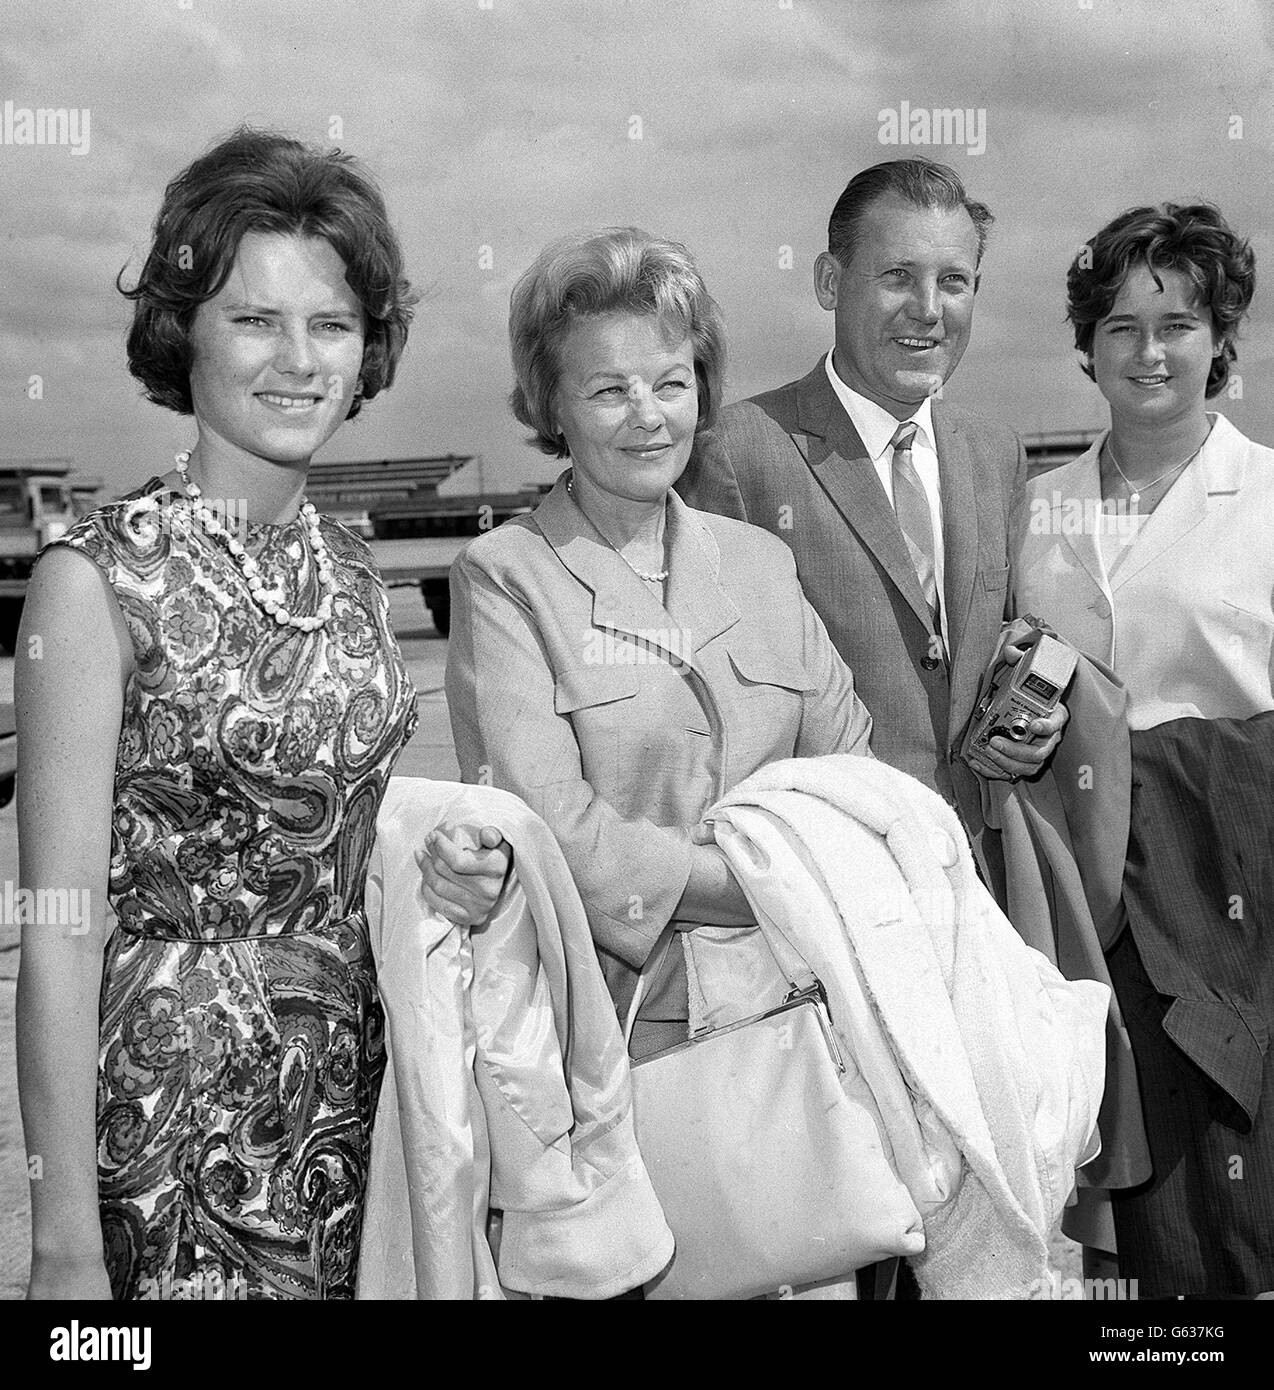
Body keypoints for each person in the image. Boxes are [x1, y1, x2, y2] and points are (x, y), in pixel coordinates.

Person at [15, 127, 507, 1301]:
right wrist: (62, 1242)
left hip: (363, 1100)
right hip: (170, 1129)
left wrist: (443, 865)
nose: (298, 359)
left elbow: (350, 832)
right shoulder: (95, 581)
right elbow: (59, 929)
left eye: (330, 324)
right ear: (183, 330)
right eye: (254, 319)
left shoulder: (349, 565)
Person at [445, 226, 873, 1065]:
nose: (648, 417)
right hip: (627, 1040)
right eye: (609, 391)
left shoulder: (761, 559)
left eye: (671, 384)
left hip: (814, 1019)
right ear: (551, 406)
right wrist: (771, 887)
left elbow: (853, 775)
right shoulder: (505, 576)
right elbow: (550, 825)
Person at [1013, 201, 1274, 1297]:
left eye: (1175, 322)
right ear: (1086, 347)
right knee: (1144, 1191)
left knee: (1250, 1180)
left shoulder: (1265, 497)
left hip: (1241, 882)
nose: (1148, 350)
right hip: (1089, 888)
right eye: (1119, 326)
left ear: (1220, 340)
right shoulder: (1033, 511)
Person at [677, 157, 1067, 879]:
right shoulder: (733, 451)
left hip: (986, 876)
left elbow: (1006, 639)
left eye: (954, 281)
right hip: (833, 884)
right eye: (897, 276)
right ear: (829, 281)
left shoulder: (995, 455)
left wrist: (1034, 718)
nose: (928, 308)